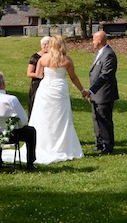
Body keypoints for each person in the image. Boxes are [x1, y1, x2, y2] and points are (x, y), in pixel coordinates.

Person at [26, 34, 85, 164]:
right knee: (60, 117)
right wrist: (82, 90)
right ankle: (61, 146)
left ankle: (42, 144)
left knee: (44, 117)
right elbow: (73, 77)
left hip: (46, 89)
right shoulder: (67, 60)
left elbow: (40, 75)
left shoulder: (43, 59)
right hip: (60, 89)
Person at [0, 71, 38, 171]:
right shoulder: (11, 100)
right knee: (31, 131)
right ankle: (30, 163)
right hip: (11, 136)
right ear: (4, 84)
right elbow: (23, 120)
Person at [85, 30, 118, 154]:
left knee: (104, 119)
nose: (92, 42)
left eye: (94, 39)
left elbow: (105, 75)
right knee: (96, 118)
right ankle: (99, 142)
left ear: (99, 40)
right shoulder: (99, 53)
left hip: (104, 93)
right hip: (96, 93)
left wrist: (91, 90)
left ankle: (107, 145)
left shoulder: (109, 54)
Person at [27, 36, 50, 113]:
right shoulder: (35, 57)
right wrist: (40, 75)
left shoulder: (53, 57)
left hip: (49, 84)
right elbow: (29, 73)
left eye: (48, 44)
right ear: (41, 45)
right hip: (37, 83)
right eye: (44, 44)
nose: (46, 46)